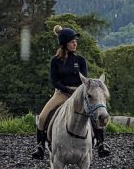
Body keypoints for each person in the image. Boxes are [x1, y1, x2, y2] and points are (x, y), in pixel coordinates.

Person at [31, 25, 110, 160]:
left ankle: (101, 143)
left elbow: (86, 82)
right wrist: (68, 90)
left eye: (76, 41)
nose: (75, 44)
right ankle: (40, 146)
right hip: (61, 93)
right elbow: (55, 81)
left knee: (93, 112)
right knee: (43, 116)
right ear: (64, 44)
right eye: (72, 41)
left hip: (79, 94)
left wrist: (77, 92)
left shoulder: (80, 60)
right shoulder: (55, 61)